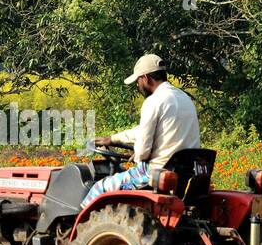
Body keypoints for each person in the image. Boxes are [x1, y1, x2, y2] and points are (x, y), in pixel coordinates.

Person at [81, 54, 201, 208]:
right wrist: (111, 139)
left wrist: (139, 154)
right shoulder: (184, 98)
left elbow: (143, 150)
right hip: (182, 172)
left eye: (138, 81)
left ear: (145, 78)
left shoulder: (154, 101)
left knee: (99, 188)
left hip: (155, 173)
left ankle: (81, 229)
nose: (138, 86)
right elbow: (145, 131)